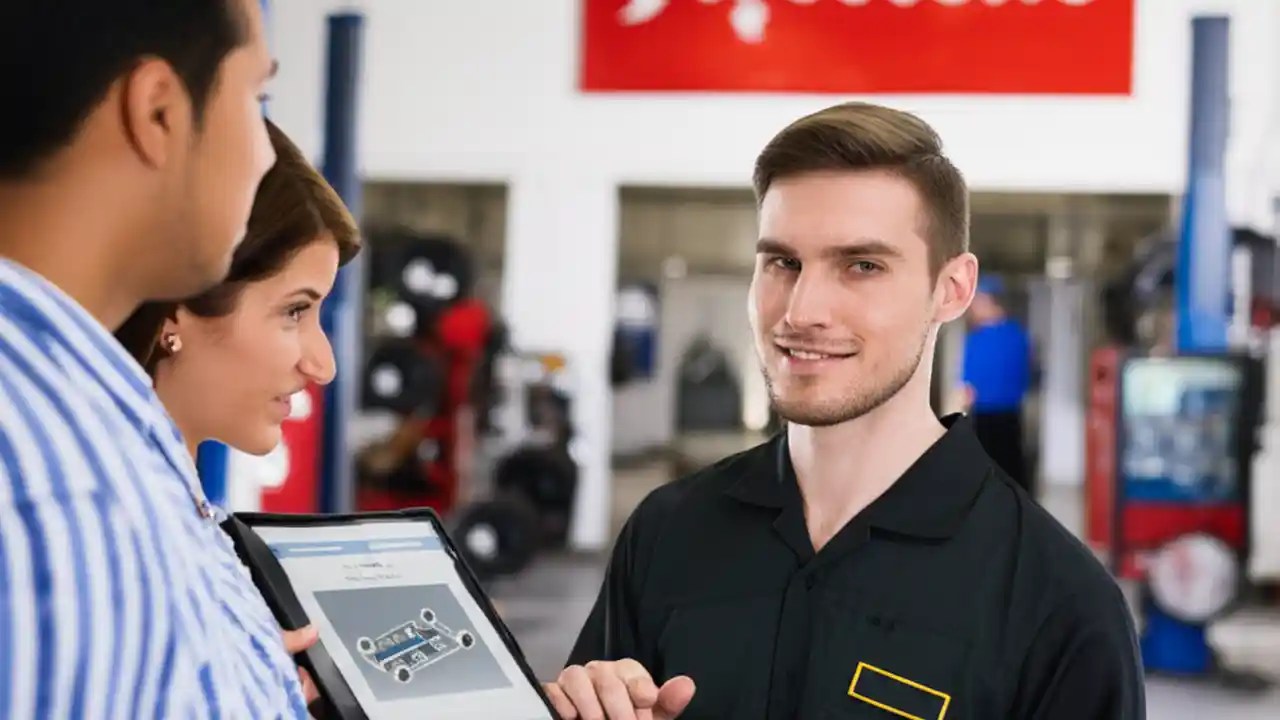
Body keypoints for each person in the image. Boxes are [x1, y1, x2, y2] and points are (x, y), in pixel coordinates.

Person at [544, 102, 1144, 720]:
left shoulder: (1058, 605)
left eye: (862, 266)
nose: (801, 311)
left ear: (951, 289)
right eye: (783, 262)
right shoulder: (668, 532)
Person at [0, 1, 316, 716]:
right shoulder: (66, 495)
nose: (268, 155)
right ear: (159, 113)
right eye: (256, 99)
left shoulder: (111, 440)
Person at [960, 274, 1034, 494]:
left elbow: (967, 389)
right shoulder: (1019, 335)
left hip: (986, 417)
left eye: (976, 302)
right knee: (1012, 470)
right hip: (1012, 416)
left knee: (988, 474)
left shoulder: (978, 340)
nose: (972, 309)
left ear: (987, 301)